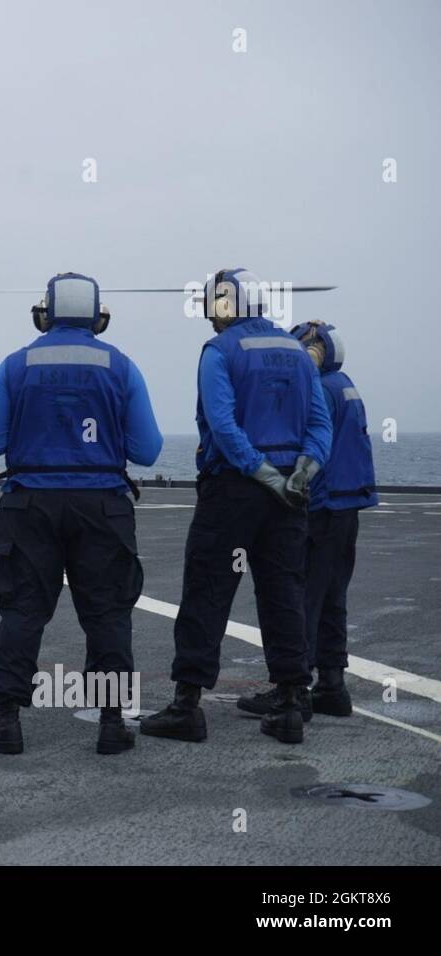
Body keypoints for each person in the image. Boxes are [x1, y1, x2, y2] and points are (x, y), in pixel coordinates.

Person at [0, 273, 163, 755]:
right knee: (108, 612)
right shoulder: (121, 367)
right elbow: (149, 450)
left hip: (31, 504)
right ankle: (112, 724)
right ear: (99, 318)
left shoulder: (17, 365)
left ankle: (7, 721)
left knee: (23, 609)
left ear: (45, 314)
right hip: (103, 506)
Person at [141, 268, 331, 746]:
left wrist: (260, 472)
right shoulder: (297, 352)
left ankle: (187, 705)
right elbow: (319, 424)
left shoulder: (219, 352)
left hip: (233, 490)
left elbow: (223, 426)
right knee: (284, 591)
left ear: (223, 305)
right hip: (290, 494)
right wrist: (297, 477)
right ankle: (290, 703)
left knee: (207, 590)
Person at [236, 322, 376, 719]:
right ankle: (332, 685)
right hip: (347, 508)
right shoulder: (345, 385)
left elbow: (312, 447)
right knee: (332, 598)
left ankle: (293, 689)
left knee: (299, 600)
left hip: (323, 507)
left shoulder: (319, 390)